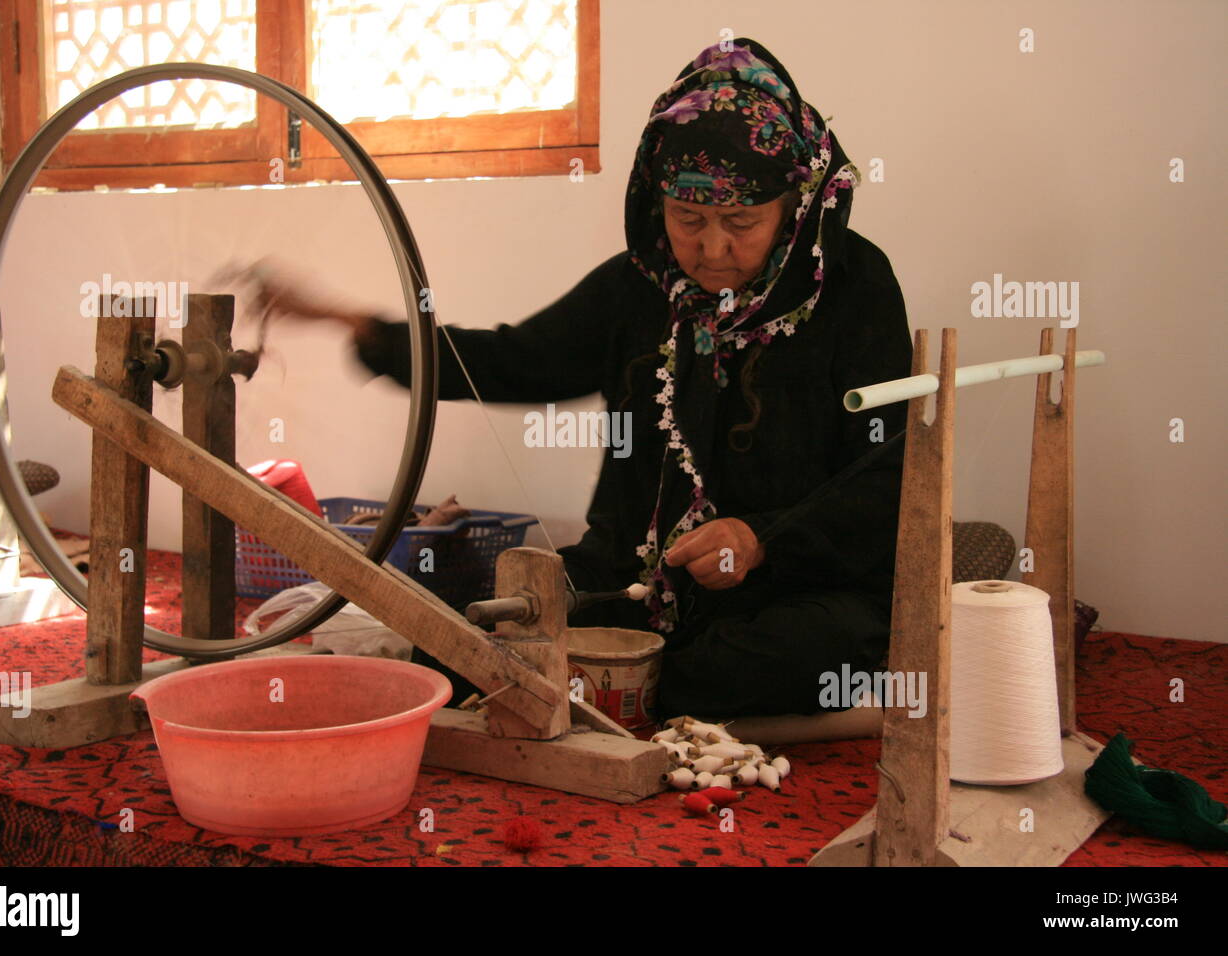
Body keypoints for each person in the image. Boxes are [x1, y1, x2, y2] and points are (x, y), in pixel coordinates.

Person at [237, 39, 913, 723]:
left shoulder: (855, 288)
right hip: (632, 580)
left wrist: (762, 538)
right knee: (454, 639)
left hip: (795, 590)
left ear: (795, 204)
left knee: (805, 653)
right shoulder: (642, 285)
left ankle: (609, 687)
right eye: (688, 219)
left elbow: (889, 472)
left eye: (741, 222)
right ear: (659, 204)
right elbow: (513, 360)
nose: (711, 249)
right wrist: (351, 323)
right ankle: (620, 688)